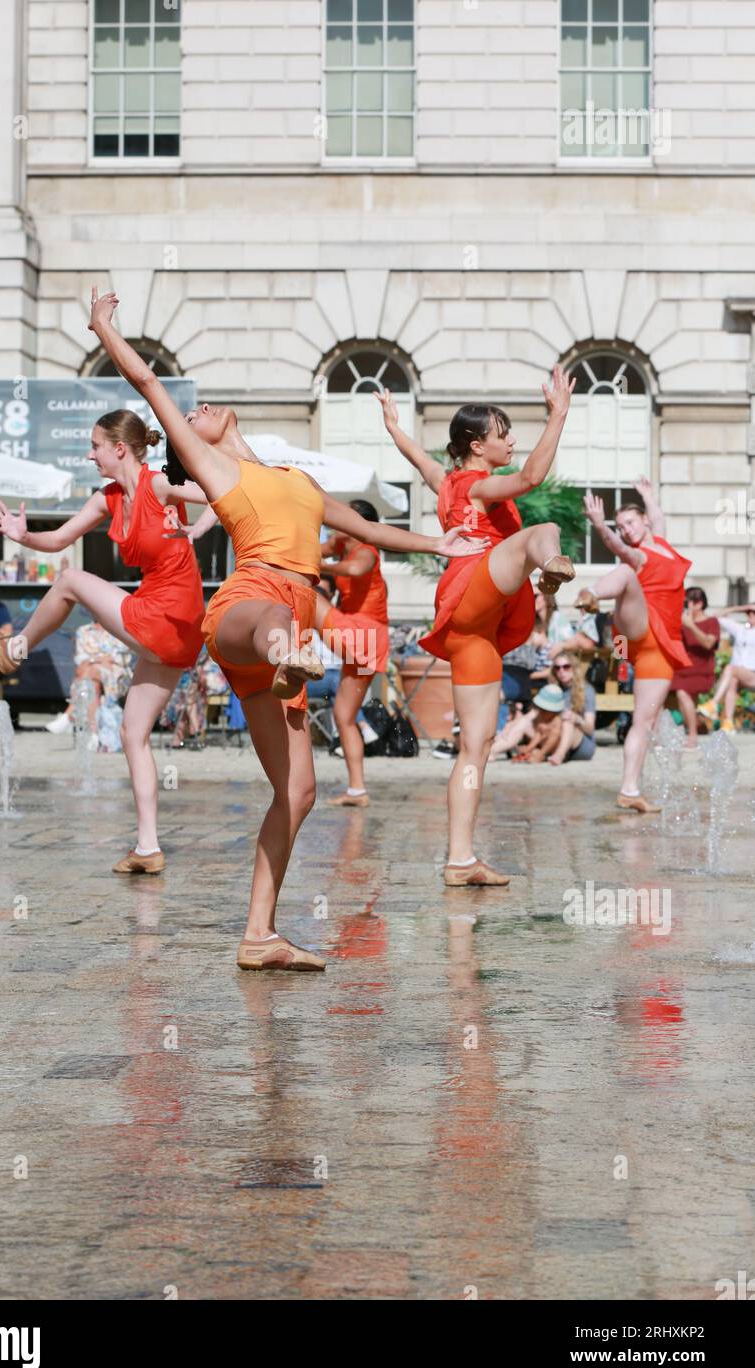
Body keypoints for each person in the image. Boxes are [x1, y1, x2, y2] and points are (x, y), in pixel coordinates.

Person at [87, 286, 486, 970]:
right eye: (195, 416)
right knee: (280, 620)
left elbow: (364, 528)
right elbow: (147, 383)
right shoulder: (215, 469)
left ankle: (259, 935)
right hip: (249, 609)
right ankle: (289, 656)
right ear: (195, 446)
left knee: (298, 793)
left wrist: (437, 546)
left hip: (285, 638)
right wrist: (103, 326)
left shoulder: (297, 479)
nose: (201, 410)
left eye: (205, 407)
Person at [0, 409, 207, 873]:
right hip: (174, 630)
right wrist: (24, 536)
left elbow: (223, 491)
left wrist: (197, 527)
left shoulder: (159, 483)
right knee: (132, 733)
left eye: (96, 445)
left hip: (168, 614)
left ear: (119, 448)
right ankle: (148, 848)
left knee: (71, 582)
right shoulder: (109, 498)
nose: (90, 453)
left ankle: (15, 649)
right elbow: (60, 538)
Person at [375, 366, 576, 887]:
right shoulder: (480, 485)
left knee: (477, 746)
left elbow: (416, 455)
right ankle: (551, 564)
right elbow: (531, 478)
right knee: (544, 529)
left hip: (472, 631)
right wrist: (558, 416)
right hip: (474, 589)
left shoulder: (446, 482)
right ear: (475, 444)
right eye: (502, 432)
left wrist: (396, 427)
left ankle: (460, 859)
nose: (510, 440)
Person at [580, 477, 690, 813]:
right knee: (627, 572)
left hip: (661, 647)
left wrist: (648, 495)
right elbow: (620, 549)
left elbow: (659, 520)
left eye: (629, 522)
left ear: (643, 520)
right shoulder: (639, 555)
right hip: (638, 627)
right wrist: (601, 527)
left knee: (645, 722)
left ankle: (630, 789)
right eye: (620, 526)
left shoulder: (662, 545)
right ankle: (592, 594)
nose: (626, 530)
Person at [317, 499, 390, 806]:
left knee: (306, 593)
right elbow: (311, 549)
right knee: (344, 716)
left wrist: (317, 566)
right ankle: (357, 790)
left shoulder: (366, 551)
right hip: (362, 641)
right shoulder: (339, 542)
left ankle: (291, 649)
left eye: (345, 514)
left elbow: (355, 568)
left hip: (363, 636)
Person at [670, 586, 721, 746]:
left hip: (701, 671)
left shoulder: (711, 622)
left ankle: (692, 734)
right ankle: (696, 726)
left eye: (688, 602)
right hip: (682, 670)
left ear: (699, 603)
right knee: (663, 687)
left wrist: (691, 625)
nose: (685, 606)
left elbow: (708, 644)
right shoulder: (682, 622)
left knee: (681, 692)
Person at [699, 601, 755, 733]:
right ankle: (729, 722)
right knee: (732, 680)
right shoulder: (741, 630)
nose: (752, 616)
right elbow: (716, 616)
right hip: (739, 674)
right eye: (750, 613)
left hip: (752, 674)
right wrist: (742, 607)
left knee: (731, 669)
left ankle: (713, 703)